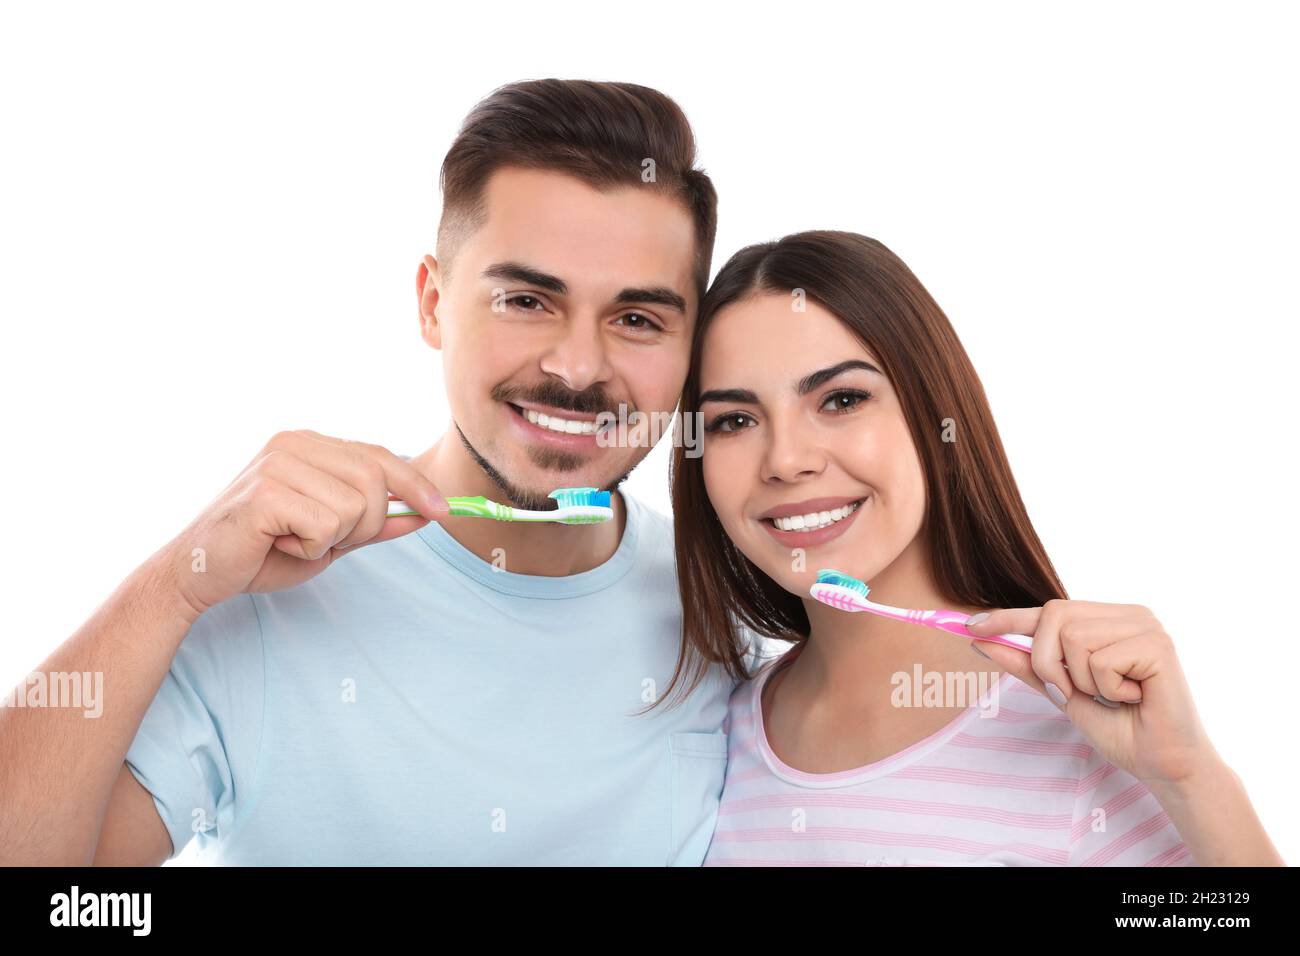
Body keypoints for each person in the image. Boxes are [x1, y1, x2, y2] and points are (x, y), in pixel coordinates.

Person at [0, 79, 746, 865]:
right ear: (432, 303)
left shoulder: (721, 612)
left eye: (636, 319)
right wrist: (174, 586)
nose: (577, 366)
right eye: (526, 300)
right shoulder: (270, 597)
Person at [666, 230, 1284, 866]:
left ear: (936, 416)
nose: (787, 460)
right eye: (734, 421)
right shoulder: (712, 738)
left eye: (843, 399)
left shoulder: (1088, 739)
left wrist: (1190, 778)